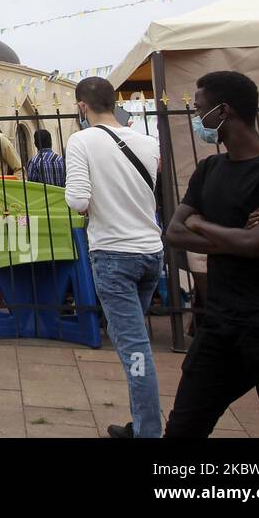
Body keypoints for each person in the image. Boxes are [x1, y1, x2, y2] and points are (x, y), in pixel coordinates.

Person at [162, 70, 259, 439]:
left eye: (199, 109)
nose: (197, 117)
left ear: (224, 110)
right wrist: (235, 236)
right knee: (184, 428)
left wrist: (202, 224)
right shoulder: (209, 169)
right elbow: (173, 232)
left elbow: (257, 244)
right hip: (220, 323)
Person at [63, 76, 164, 438]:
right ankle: (142, 422)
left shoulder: (82, 141)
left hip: (113, 253)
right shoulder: (148, 142)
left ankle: (149, 431)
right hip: (151, 251)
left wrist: (93, 205)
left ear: (82, 106)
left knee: (134, 348)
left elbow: (77, 200)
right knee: (134, 342)